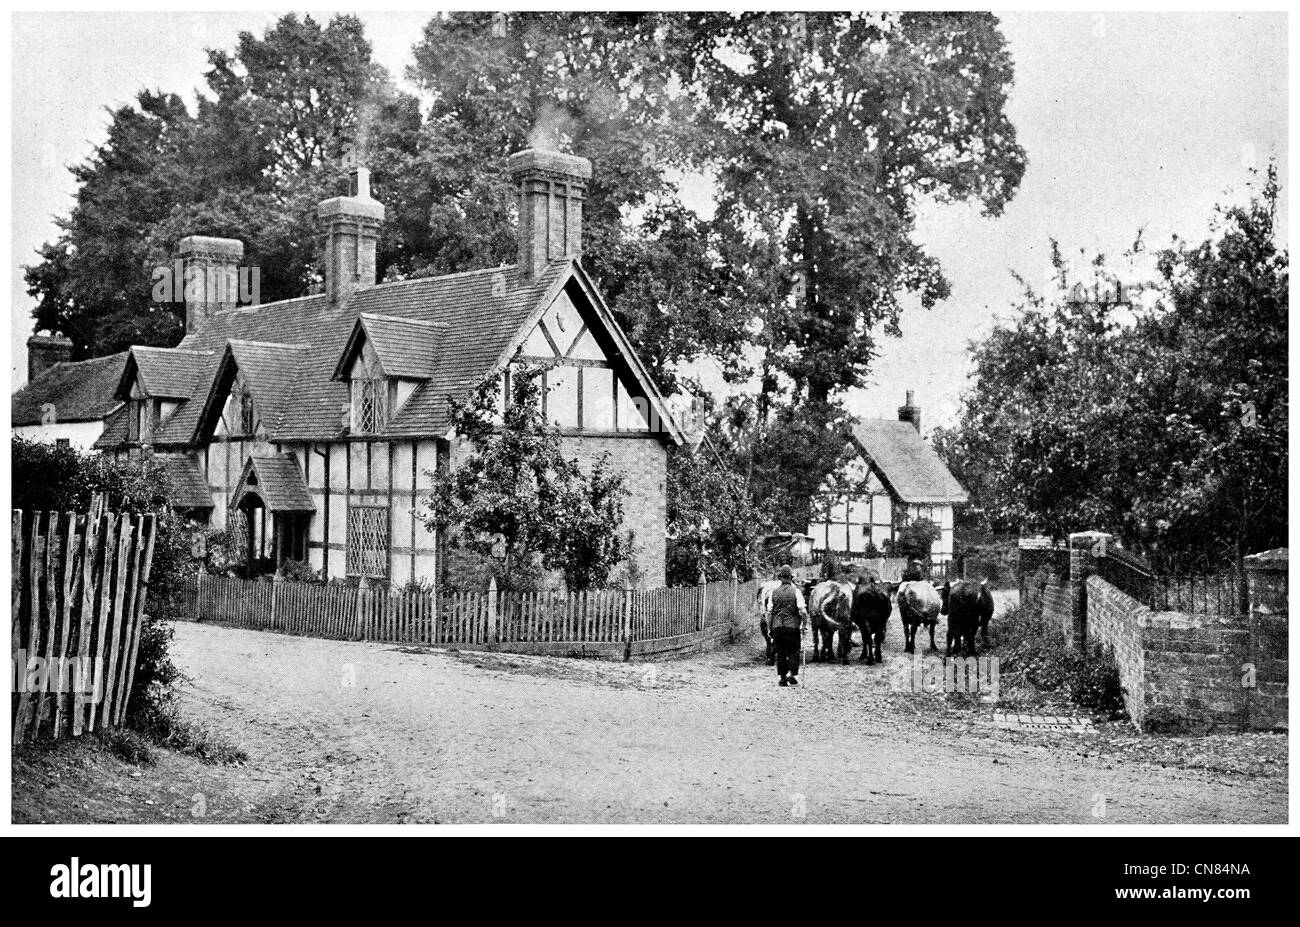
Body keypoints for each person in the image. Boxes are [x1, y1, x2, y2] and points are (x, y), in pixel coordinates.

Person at [767, 565, 807, 687]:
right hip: (792, 627)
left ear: (780, 578)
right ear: (791, 578)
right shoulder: (796, 592)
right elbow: (802, 611)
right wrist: (804, 625)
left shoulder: (773, 592)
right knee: (794, 651)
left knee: (780, 652)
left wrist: (770, 628)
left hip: (777, 627)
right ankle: (791, 673)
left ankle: (783, 678)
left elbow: (769, 612)